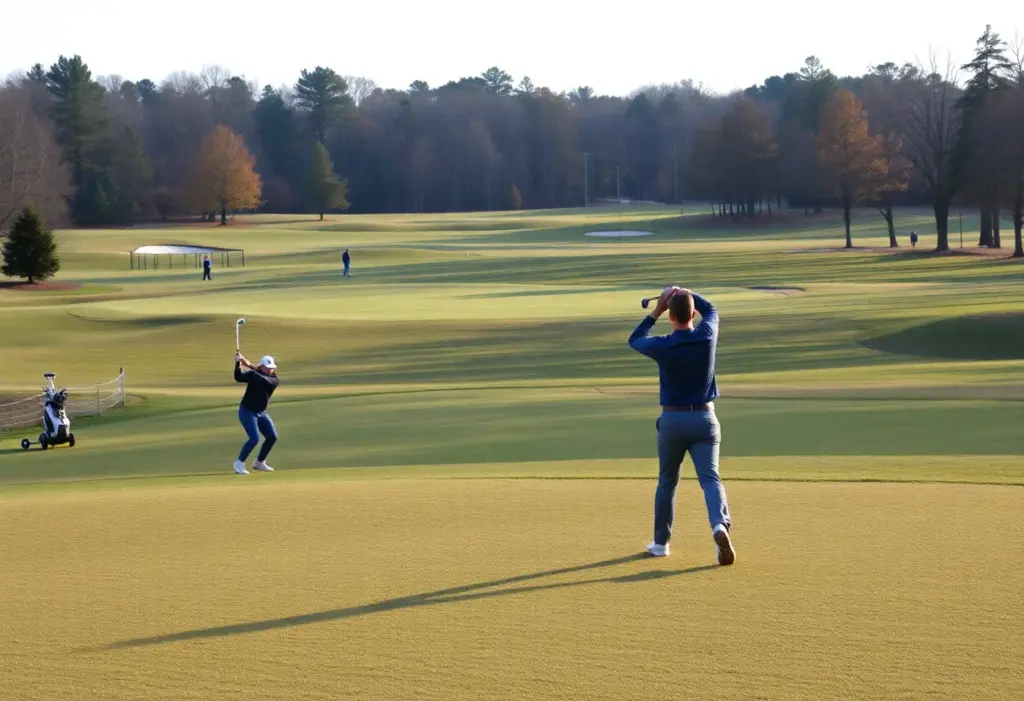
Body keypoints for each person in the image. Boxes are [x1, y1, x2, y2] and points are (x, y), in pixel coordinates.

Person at [628, 286, 735, 566]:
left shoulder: (663, 344)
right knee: (710, 479)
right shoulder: (706, 335)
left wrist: (656, 310)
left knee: (667, 482)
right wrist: (687, 291)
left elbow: (635, 339)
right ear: (693, 313)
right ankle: (719, 526)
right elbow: (712, 310)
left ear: (671, 316)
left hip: (673, 421)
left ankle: (661, 545)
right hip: (705, 419)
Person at [233, 352, 280, 475]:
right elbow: (238, 377)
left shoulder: (274, 380)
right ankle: (239, 463)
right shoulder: (255, 374)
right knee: (254, 438)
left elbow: (264, 380)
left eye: (272, 368)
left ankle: (259, 463)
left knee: (272, 436)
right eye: (268, 368)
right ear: (262, 367)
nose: (271, 371)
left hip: (261, 412)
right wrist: (238, 363)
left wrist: (249, 365)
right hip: (247, 411)